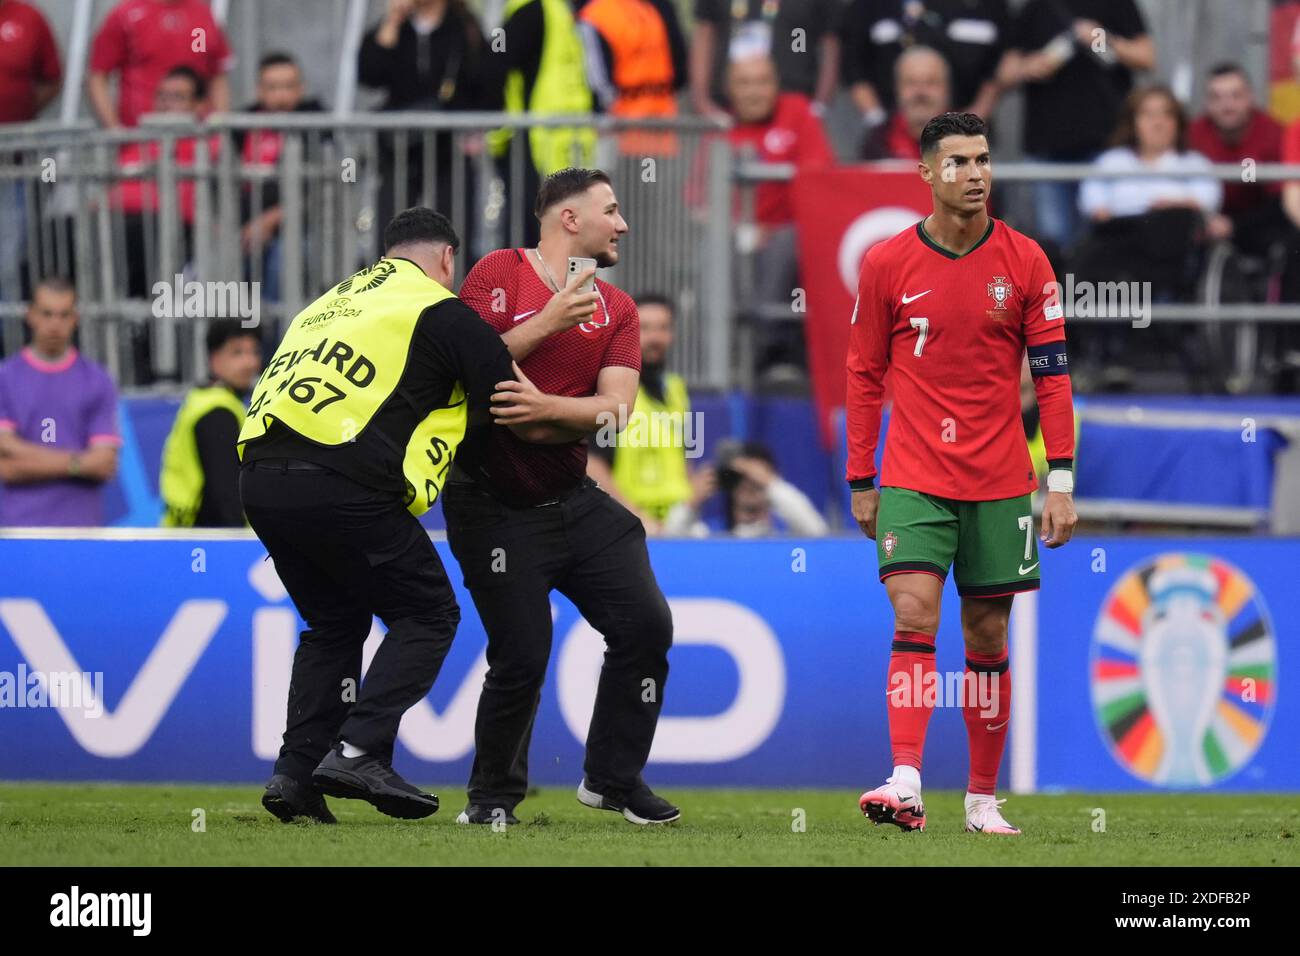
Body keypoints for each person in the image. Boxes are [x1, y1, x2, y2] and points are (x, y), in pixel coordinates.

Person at [237, 208, 552, 824]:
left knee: (334, 624)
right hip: (341, 480)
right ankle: (357, 750)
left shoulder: (328, 304)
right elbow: (505, 391)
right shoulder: (440, 309)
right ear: (446, 260)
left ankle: (296, 778)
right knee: (430, 612)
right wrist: (552, 326)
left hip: (260, 478)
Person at [846, 112, 1077, 836]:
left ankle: (981, 798)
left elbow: (1054, 378)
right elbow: (862, 374)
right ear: (926, 174)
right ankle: (907, 779)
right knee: (914, 615)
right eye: (958, 162)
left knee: (985, 637)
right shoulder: (887, 264)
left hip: (1002, 479)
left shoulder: (1027, 262)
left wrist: (1061, 480)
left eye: (982, 160)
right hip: (913, 475)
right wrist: (861, 477)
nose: (975, 174)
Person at [448, 167, 678, 826]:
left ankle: (611, 778)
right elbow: (471, 376)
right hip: (490, 502)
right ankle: (490, 801)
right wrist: (547, 323)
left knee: (646, 626)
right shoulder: (497, 273)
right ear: (568, 220)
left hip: (570, 495)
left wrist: (546, 408)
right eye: (611, 210)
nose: (623, 224)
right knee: (521, 655)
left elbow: (615, 414)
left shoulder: (620, 310)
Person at [998, 0, 1155, 253]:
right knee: (1053, 241)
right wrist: (1029, 67)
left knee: (1102, 240)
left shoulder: (1118, 5)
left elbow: (1146, 57)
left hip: (1106, 147)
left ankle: (1094, 291)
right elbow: (1006, 72)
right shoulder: (1037, 8)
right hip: (1047, 147)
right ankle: (1060, 291)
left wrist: (1103, 39)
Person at [358, 0, 487, 248]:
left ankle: (450, 286)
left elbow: (483, 82)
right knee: (393, 231)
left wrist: (474, 128)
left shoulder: (464, 27)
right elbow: (370, 73)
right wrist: (392, 21)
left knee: (452, 233)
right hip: (398, 150)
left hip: (449, 150)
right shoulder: (395, 26)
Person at [0, 277, 121, 526]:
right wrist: (78, 463)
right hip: (19, 532)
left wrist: (27, 462)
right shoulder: (6, 377)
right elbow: (5, 466)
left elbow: (104, 464)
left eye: (63, 315)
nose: (55, 324)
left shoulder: (97, 380)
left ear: (75, 319)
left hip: (81, 531)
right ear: (30, 315)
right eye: (47, 314)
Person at [586, 293, 711, 532]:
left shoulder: (677, 389)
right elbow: (593, 466)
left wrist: (694, 495)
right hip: (631, 524)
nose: (655, 338)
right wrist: (637, 518)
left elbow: (685, 459)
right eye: (645, 328)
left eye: (663, 328)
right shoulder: (611, 391)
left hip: (679, 522)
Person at [482, 0, 596, 248]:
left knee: (528, 237)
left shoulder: (528, 12)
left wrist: (489, 117)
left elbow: (493, 67)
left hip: (531, 143)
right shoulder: (561, 12)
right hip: (560, 144)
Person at [235, 52, 327, 304]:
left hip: (304, 231)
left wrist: (272, 219)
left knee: (284, 263)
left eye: (288, 86)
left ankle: (278, 342)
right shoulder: (241, 127)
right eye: (272, 87)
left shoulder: (319, 128)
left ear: (301, 89)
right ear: (259, 91)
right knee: (204, 269)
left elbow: (321, 191)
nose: (281, 96)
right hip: (244, 232)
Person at [839, 0, 1008, 132]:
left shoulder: (988, 5)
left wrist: (970, 123)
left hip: (965, 134)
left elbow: (1005, 60)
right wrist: (878, 123)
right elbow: (853, 64)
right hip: (892, 137)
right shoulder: (871, 6)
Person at [159, 320, 262, 527]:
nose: (250, 362)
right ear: (214, 359)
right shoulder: (218, 412)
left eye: (254, 352)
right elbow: (226, 496)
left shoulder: (201, 401)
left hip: (186, 537)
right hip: (209, 542)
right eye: (237, 353)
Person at [0, 0, 62, 304]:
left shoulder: (29, 18)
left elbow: (52, 79)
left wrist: (18, 118)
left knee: (7, 263)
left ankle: (6, 346)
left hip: (14, 164)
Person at [87, 0, 232, 129]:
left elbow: (218, 74)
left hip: (197, 138)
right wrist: (115, 130)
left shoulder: (203, 14)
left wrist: (220, 126)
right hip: (141, 141)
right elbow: (97, 76)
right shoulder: (126, 14)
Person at [690, 0, 841, 119]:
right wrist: (701, 99)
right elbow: (704, 33)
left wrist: (819, 106)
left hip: (794, 104)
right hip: (726, 108)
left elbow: (830, 44)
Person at [663, 440, 828, 537]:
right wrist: (692, 502)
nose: (749, 483)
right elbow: (670, 540)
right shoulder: (712, 534)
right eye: (741, 476)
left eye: (756, 476)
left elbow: (817, 531)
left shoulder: (786, 532)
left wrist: (770, 483)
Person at [861, 45, 952, 161]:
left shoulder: (973, 142)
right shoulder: (877, 142)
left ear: (947, 89)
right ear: (897, 88)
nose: (920, 91)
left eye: (931, 82)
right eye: (911, 82)